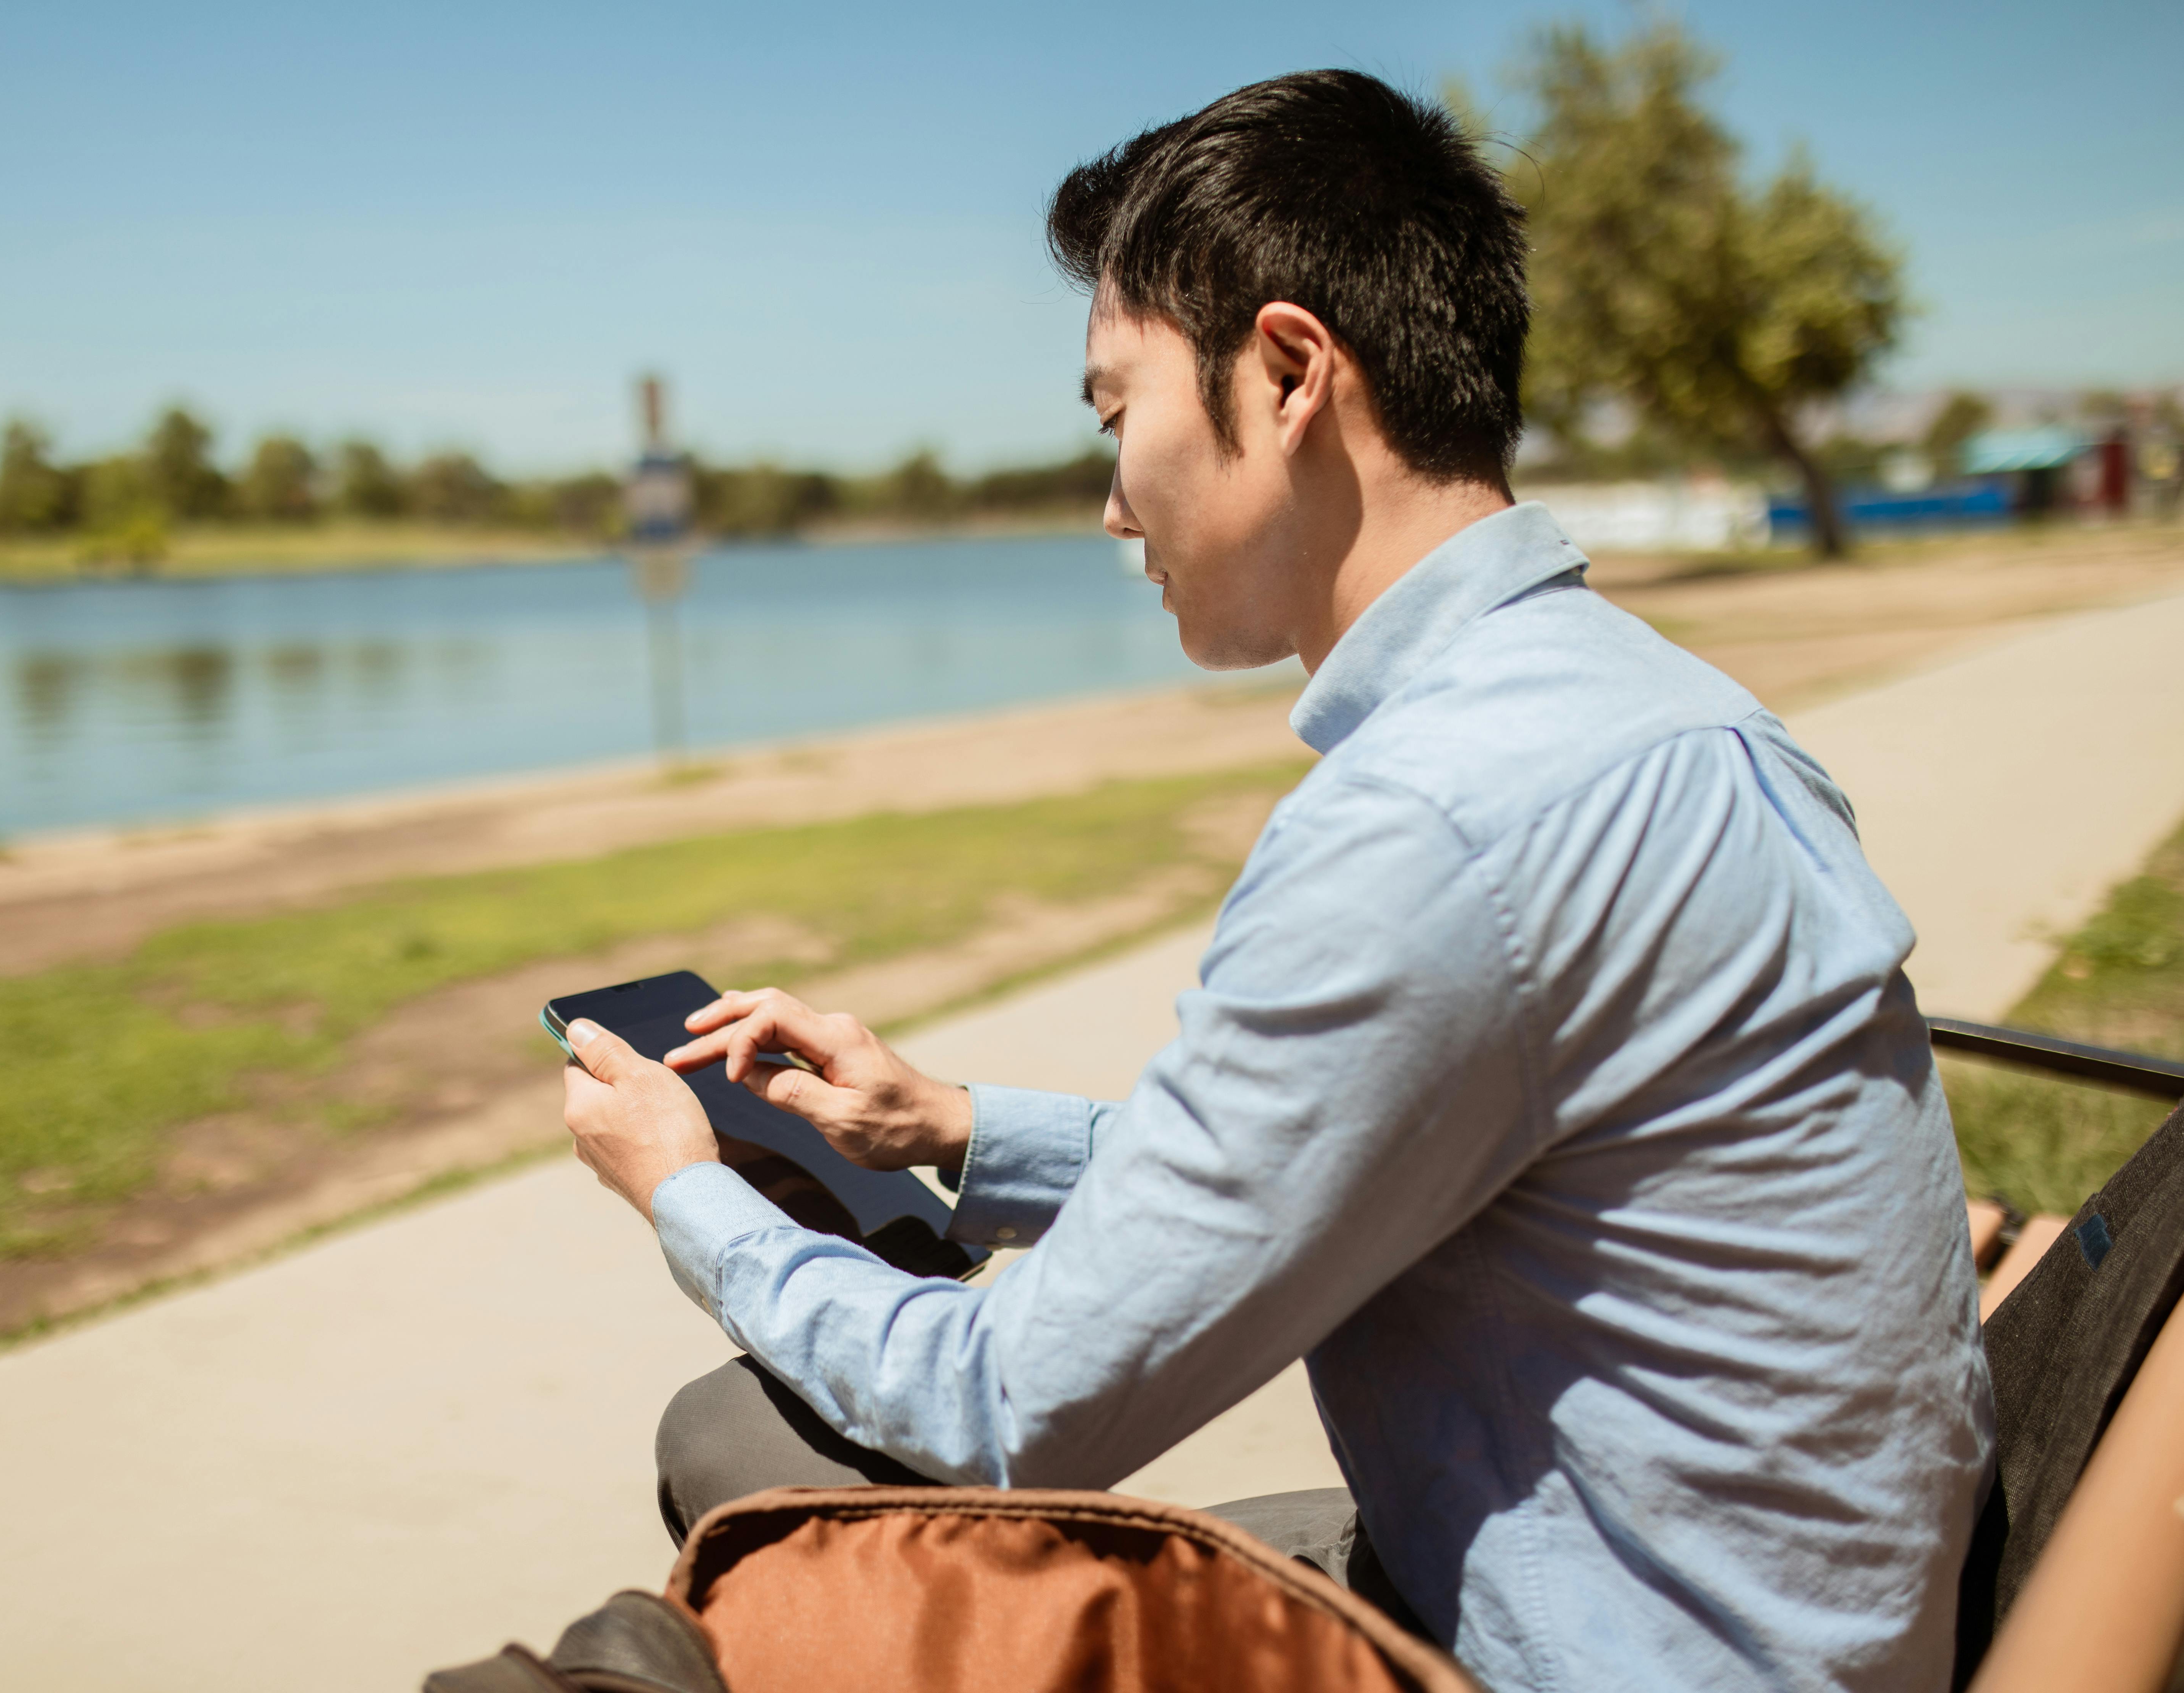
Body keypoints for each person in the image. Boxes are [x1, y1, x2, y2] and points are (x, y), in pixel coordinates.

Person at [557, 69, 1991, 1692]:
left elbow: (1012, 1409)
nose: (1112, 504)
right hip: (1783, 1625)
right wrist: (953, 1125)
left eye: (1118, 418)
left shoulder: (1436, 824)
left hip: (1603, 1652)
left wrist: (689, 1189)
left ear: (1292, 369)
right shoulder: (1664, 709)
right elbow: (1360, 1156)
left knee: (749, 1446)